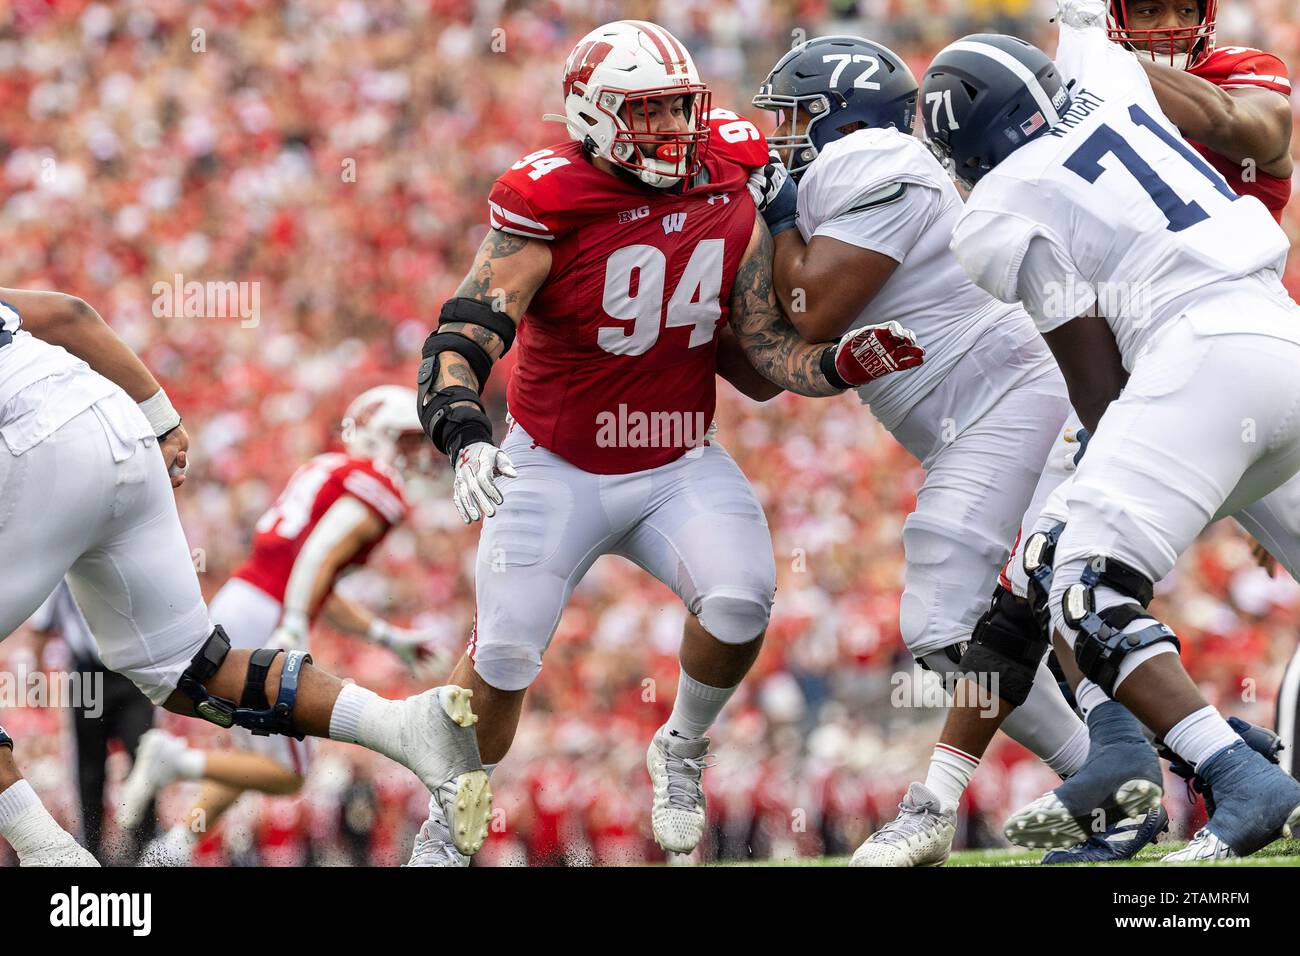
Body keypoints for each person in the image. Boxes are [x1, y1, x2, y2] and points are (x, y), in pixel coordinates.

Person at [406, 19, 924, 865]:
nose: (672, 131)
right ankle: (446, 815)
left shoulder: (731, 166)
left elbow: (765, 350)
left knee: (742, 600)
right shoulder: (547, 197)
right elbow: (461, 337)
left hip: (677, 457)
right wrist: (465, 438)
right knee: (501, 657)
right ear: (591, 116)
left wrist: (837, 364)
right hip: (552, 463)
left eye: (680, 108)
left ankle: (680, 747)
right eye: (646, 114)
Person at [922, 0, 1300, 860]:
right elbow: (1086, 32)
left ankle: (1232, 775)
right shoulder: (1113, 76)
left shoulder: (996, 211)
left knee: (1081, 587)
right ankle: (1136, 762)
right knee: (1059, 570)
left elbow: (1101, 389)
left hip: (1196, 360)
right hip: (1281, 332)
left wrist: (1113, 483)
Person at [747, 35, 1091, 867]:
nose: (783, 136)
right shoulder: (860, 167)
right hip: (981, 409)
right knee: (991, 616)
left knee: (955, 617)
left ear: (841, 115)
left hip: (1005, 396)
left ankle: (957, 800)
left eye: (795, 117)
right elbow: (771, 361)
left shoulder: (873, 157)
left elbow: (811, 305)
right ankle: (1123, 772)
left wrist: (779, 213)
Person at [0, 288, 489, 865]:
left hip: (35, 440)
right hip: (120, 424)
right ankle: (404, 725)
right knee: (191, 671)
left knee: (242, 726)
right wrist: (162, 419)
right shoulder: (358, 479)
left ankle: (52, 855)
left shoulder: (343, 473)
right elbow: (70, 314)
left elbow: (317, 557)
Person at [124, 385, 446, 866]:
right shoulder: (372, 481)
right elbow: (318, 556)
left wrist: (385, 636)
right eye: (406, 440)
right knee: (292, 774)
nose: (416, 452)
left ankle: (171, 850)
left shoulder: (325, 468)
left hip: (241, 603)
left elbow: (316, 579)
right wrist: (293, 622)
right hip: (270, 616)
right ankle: (175, 761)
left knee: (259, 757)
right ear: (376, 433)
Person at [25, 581, 158, 861]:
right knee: (90, 768)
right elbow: (40, 628)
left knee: (144, 756)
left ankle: (146, 847)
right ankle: (92, 850)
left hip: (130, 671)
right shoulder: (61, 575)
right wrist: (37, 684)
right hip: (89, 676)